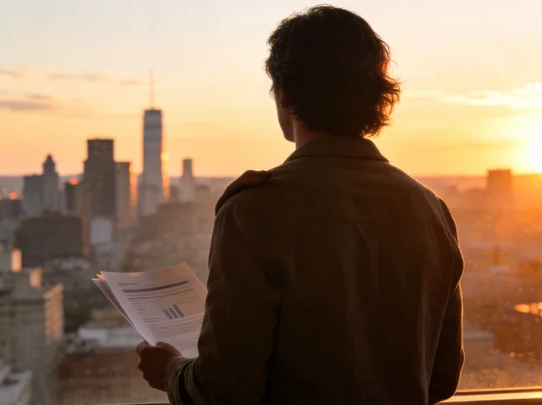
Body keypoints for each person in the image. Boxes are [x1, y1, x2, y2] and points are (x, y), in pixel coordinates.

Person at [136, 5, 464, 404]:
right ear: (375, 97)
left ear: (284, 93)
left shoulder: (253, 211)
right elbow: (441, 378)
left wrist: (171, 370)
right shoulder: (430, 210)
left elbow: (224, 390)